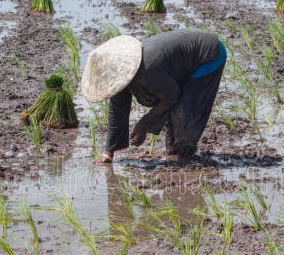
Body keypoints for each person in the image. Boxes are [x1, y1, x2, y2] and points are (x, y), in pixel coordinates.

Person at [81, 28, 227, 164]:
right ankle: (173, 152)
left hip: (209, 55)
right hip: (180, 62)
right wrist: (108, 153)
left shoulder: (148, 69)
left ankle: (184, 154)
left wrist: (145, 123)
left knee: (185, 108)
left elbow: (171, 97)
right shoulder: (120, 76)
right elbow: (117, 110)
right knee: (170, 103)